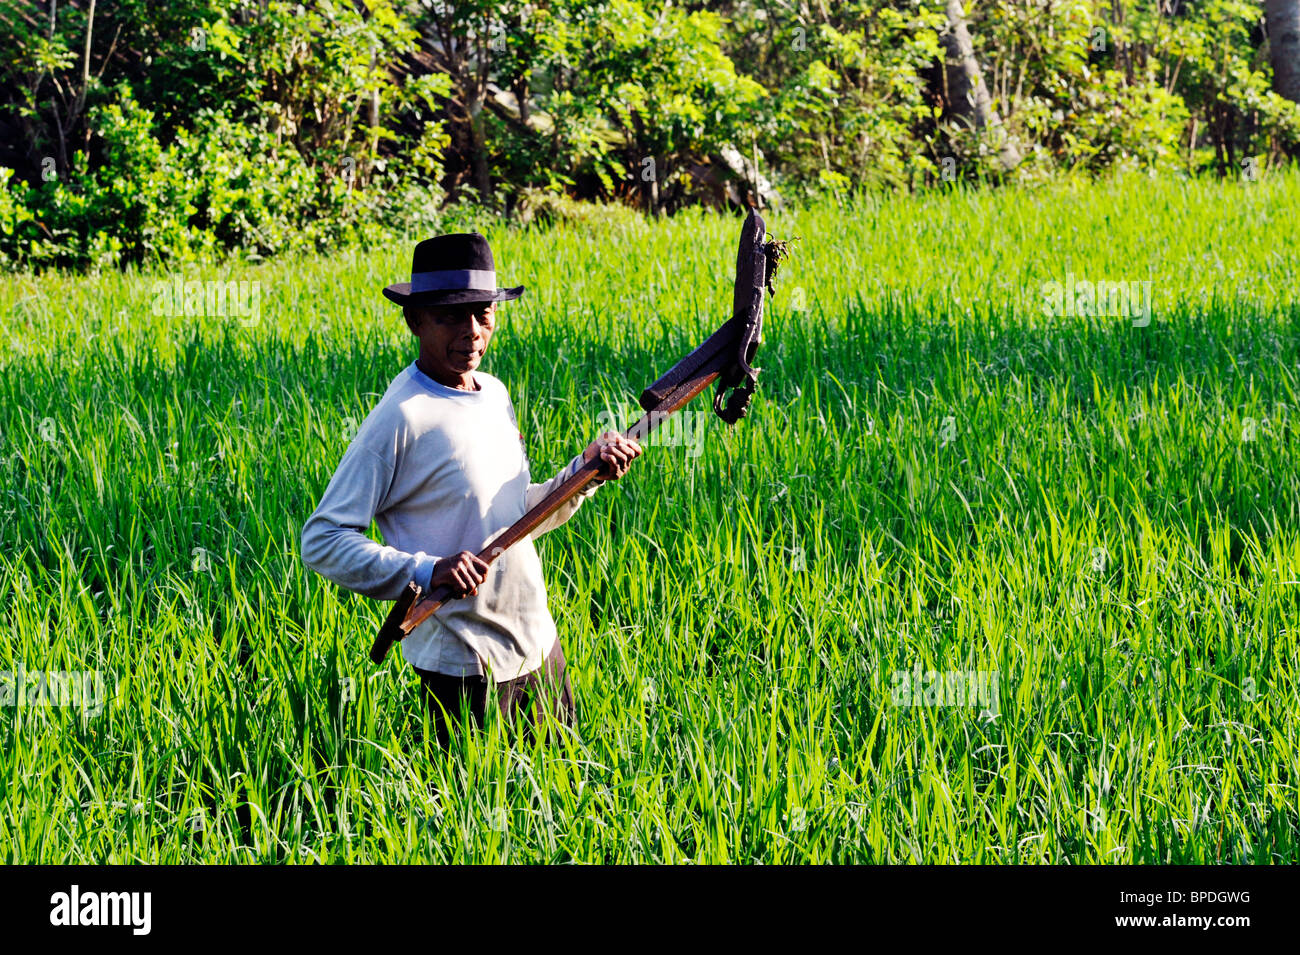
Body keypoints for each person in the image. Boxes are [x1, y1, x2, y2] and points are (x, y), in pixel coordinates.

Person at [301, 232, 641, 748]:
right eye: (450, 317)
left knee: (558, 808)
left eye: (483, 313)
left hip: (537, 648)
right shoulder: (401, 417)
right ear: (415, 320)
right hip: (465, 669)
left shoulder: (493, 394)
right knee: (475, 818)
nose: (472, 332)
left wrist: (583, 475)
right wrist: (424, 570)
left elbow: (514, 520)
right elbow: (322, 540)